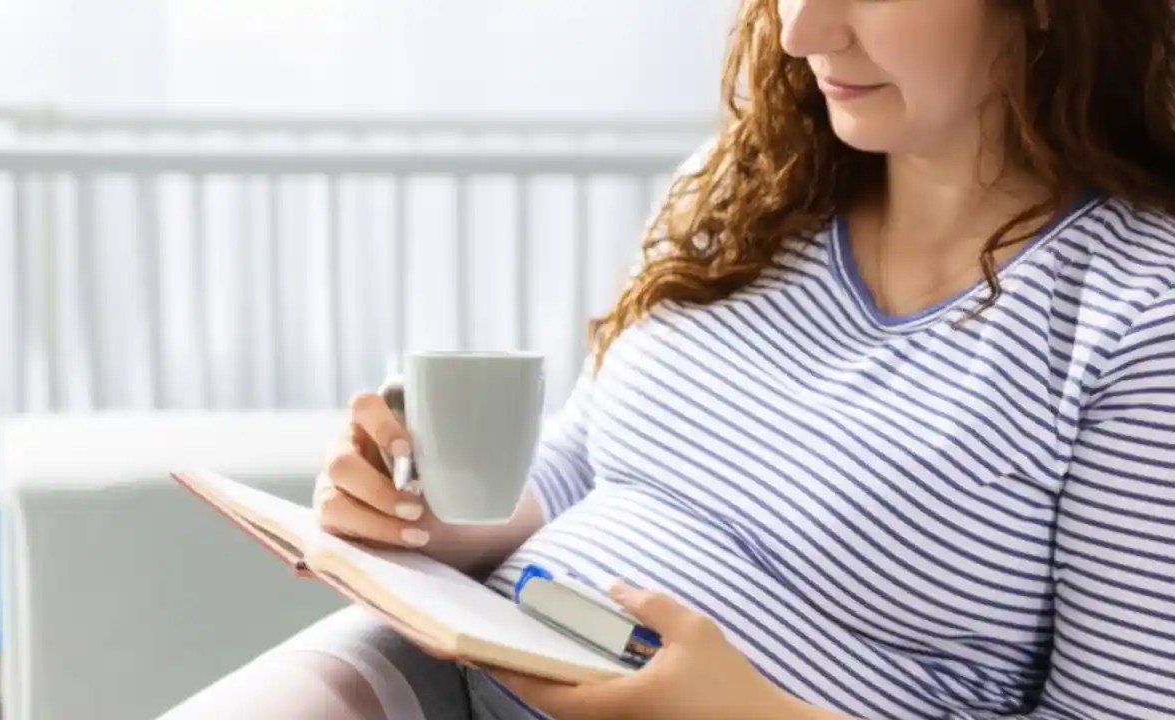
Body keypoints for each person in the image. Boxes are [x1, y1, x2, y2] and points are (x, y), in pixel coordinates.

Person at [164, 0, 1175, 718]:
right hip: (459, 669)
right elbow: (581, 465)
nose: (800, 30)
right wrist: (423, 517)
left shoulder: (1136, 317)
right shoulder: (753, 189)